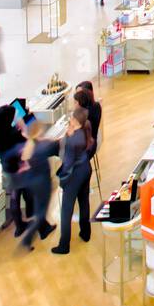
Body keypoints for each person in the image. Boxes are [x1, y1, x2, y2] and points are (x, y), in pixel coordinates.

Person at [50, 105, 94, 255]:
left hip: (74, 174)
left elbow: (67, 163)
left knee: (66, 210)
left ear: (75, 120)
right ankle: (85, 232)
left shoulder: (71, 139)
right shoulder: (85, 130)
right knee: (84, 202)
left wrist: (62, 179)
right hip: (86, 169)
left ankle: (64, 245)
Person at [0, 104, 33, 238]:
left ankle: (19, 226)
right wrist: (22, 127)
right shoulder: (13, 134)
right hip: (19, 167)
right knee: (27, 191)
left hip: (7, 168)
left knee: (14, 197)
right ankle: (31, 217)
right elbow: (28, 141)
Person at [18, 120, 59, 250]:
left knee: (39, 208)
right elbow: (56, 145)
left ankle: (44, 229)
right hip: (43, 182)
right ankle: (27, 240)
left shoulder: (29, 146)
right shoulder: (43, 146)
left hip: (32, 182)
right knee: (41, 212)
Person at [74, 82, 102, 146]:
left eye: (79, 94)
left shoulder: (84, 114)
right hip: (92, 142)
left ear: (87, 94)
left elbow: (77, 135)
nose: (77, 96)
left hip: (87, 146)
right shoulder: (96, 105)